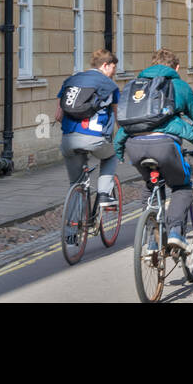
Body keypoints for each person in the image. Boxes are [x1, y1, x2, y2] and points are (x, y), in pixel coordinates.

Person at [115, 48, 193, 255]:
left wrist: (118, 151)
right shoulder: (180, 86)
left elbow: (125, 123)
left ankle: (152, 240)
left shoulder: (137, 86)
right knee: (182, 186)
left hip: (134, 145)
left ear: (152, 65)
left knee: (151, 185)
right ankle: (176, 232)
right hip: (165, 145)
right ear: (176, 67)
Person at [56, 48, 121, 241]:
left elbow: (58, 115)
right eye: (113, 68)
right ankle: (104, 195)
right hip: (96, 138)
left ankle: (71, 233)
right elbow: (118, 118)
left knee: (75, 183)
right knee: (112, 154)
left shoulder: (70, 81)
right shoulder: (110, 86)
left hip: (68, 140)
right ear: (105, 65)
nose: (114, 73)